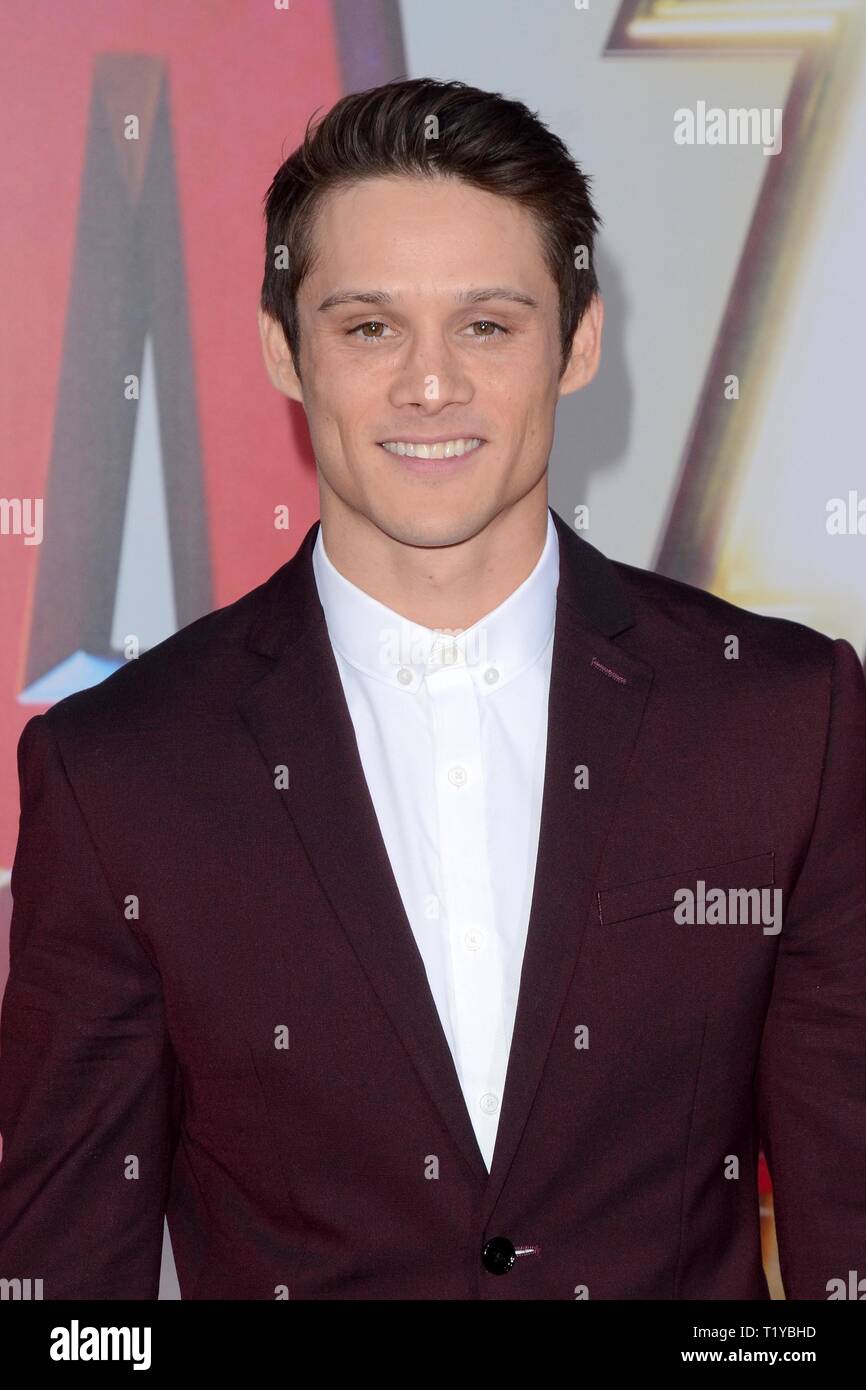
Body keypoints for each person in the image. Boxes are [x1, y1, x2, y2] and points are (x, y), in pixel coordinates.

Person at [1, 77, 864, 1301]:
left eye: (486, 325)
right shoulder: (121, 771)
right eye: (367, 327)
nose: (427, 385)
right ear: (281, 348)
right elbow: (67, 1304)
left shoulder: (782, 719)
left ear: (576, 343)